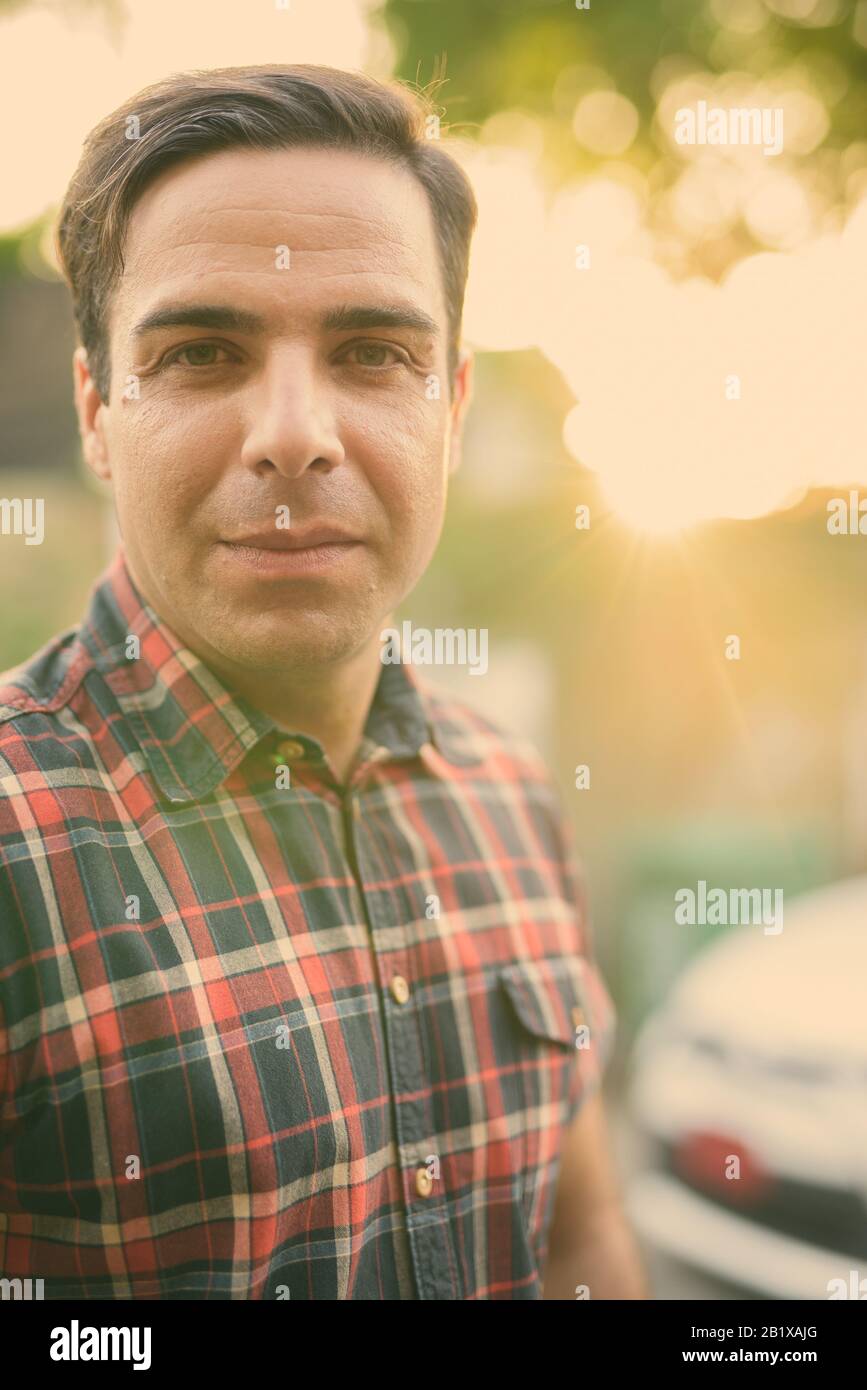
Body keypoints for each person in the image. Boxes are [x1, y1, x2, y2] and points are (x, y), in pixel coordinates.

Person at [0, 64, 647, 1300]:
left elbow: (581, 1239)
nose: (293, 432)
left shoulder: (514, 796)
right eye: (200, 351)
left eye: (372, 351)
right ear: (97, 411)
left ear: (451, 409)